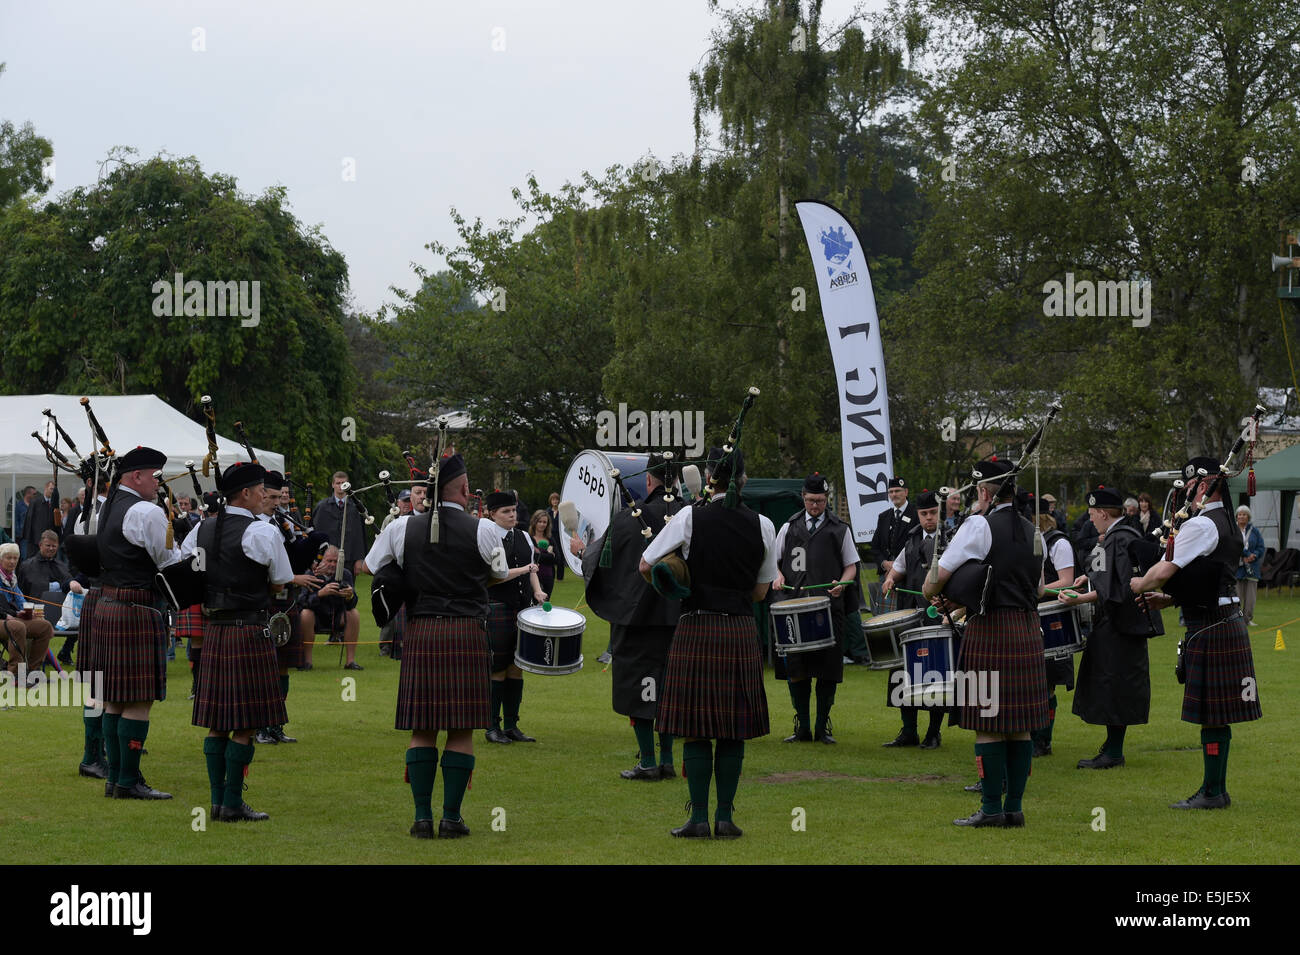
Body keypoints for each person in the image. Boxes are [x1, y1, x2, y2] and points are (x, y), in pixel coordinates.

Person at [362, 454, 507, 838]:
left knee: (422, 728)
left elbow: (372, 566)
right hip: (466, 634)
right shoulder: (485, 530)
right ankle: (451, 818)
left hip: (422, 631)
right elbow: (499, 574)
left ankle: (422, 818)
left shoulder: (401, 528)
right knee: (460, 730)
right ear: (462, 489)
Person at [639, 448, 777, 839]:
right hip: (738, 629)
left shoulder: (688, 517)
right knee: (732, 727)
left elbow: (646, 565)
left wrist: (677, 581)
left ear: (708, 478)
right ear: (744, 480)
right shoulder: (764, 525)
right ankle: (726, 818)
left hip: (696, 625)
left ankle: (698, 818)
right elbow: (761, 591)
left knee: (696, 726)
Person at [1131, 457, 1262, 809]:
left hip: (1212, 625)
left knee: (1212, 714)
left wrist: (1139, 584)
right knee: (1216, 715)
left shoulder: (1202, 525)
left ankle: (1213, 792)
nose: (1186, 494)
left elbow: (1163, 570)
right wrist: (1171, 599)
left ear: (1202, 487)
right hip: (1223, 617)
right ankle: (1215, 788)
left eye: (1189, 487)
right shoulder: (1228, 523)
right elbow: (1209, 579)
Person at [924, 458, 1047, 828]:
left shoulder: (978, 524)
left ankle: (991, 809)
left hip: (990, 626)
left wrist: (949, 589)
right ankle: (1015, 808)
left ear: (982, 491)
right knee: (1020, 724)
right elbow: (1040, 589)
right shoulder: (1033, 531)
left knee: (989, 724)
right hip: (1026, 628)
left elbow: (934, 580)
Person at [187, 462, 292, 822]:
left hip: (215, 631)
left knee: (218, 721)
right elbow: (280, 582)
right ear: (245, 493)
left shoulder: (201, 529)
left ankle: (217, 802)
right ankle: (231, 802)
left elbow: (188, 569)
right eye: (262, 488)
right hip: (249, 631)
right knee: (245, 722)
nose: (266, 494)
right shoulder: (262, 533)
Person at [577, 453, 682, 779]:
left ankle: (648, 762)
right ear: (677, 480)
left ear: (648, 480)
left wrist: (583, 551)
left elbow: (600, 564)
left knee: (639, 690)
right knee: (669, 689)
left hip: (635, 618)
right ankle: (666, 759)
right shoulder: (690, 515)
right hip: (679, 617)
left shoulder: (626, 519)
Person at [94, 446, 180, 800]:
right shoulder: (146, 511)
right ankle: (128, 782)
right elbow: (169, 561)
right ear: (136, 477)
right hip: (137, 609)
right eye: (156, 476)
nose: (159, 484)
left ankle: (117, 779)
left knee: (114, 698)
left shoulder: (108, 507)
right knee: (138, 700)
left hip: (109, 605)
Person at [1057, 487, 1159, 769]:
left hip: (1119, 624)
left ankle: (1114, 752)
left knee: (1114, 685)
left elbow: (1118, 587)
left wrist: (1082, 596)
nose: (1090, 521)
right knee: (1114, 684)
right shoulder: (1122, 535)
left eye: (1092, 515)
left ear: (1103, 513)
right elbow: (1105, 576)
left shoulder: (1119, 539)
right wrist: (1086, 579)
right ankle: (1113, 747)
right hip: (1122, 623)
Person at [774, 472, 859, 744]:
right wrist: (778, 575)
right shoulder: (789, 527)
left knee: (827, 669)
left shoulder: (839, 528)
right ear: (803, 498)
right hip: (795, 607)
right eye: (811, 501)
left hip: (828, 608)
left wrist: (843, 585)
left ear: (827, 500)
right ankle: (802, 727)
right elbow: (774, 562)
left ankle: (822, 727)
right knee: (797, 668)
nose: (815, 506)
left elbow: (851, 566)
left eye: (821, 501)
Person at [880, 490, 949, 748]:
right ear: (918, 514)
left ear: (939, 513)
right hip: (909, 615)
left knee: (935, 674)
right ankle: (908, 731)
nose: (929, 518)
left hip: (937, 616)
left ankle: (933, 733)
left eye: (933, 513)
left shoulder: (949, 539)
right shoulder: (911, 538)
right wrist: (890, 579)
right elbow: (899, 567)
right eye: (924, 514)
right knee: (904, 672)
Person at [483, 491, 546, 743]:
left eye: (514, 510)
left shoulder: (523, 537)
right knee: (497, 669)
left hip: (522, 609)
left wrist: (538, 589)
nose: (513, 515)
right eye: (506, 512)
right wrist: (525, 569)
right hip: (497, 607)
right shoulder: (489, 538)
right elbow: (496, 575)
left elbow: (532, 571)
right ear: (492, 514)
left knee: (516, 668)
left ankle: (511, 726)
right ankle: (491, 727)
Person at [1029, 499, 1076, 758]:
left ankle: (1043, 740)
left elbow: (1067, 580)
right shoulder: (1033, 542)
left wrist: (1035, 592)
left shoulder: (1059, 543)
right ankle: (1034, 737)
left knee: (1046, 682)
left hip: (1052, 618)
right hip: (1034, 614)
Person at [298, 546, 361, 669]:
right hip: (316, 618)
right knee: (305, 613)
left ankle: (350, 661)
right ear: (322, 561)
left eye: (336, 561)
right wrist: (320, 594)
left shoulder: (346, 574)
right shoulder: (311, 574)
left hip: (338, 617)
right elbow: (301, 602)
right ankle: (307, 662)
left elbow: (353, 603)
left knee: (354, 613)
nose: (332, 564)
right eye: (329, 561)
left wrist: (350, 595)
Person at [1, 541, 55, 682]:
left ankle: (33, 672)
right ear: (1, 559)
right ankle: (16, 675)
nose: (12, 561)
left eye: (15, 558)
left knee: (45, 626)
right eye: (8, 558)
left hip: (12, 618)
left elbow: (21, 601)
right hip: (3, 619)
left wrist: (28, 612)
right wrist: (11, 614)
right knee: (17, 626)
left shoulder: (12, 578)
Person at [312, 471, 367, 578]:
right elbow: (314, 534)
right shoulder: (322, 507)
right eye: (337, 483)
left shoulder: (355, 507)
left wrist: (359, 559)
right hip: (326, 560)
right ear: (333, 485)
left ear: (348, 485)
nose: (340, 486)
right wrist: (315, 558)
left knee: (346, 589)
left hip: (349, 559)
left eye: (343, 483)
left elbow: (360, 535)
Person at [869, 478, 917, 581]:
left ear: (906, 492)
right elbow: (874, 547)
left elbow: (918, 545)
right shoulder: (884, 517)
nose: (894, 494)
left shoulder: (916, 514)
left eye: (897, 491)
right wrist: (884, 563)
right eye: (891, 492)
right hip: (885, 573)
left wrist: (898, 566)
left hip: (908, 574)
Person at [18, 529, 79, 601]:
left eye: (54, 546)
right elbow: (20, 593)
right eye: (48, 545)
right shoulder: (26, 566)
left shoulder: (62, 566)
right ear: (40, 545)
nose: (51, 548)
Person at [1234, 505, 1265, 626]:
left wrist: (1254, 555)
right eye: (1240, 514)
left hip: (1252, 567)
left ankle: (1247, 619)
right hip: (1236, 567)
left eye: (1244, 514)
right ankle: (1236, 619)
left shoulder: (1254, 531)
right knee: (1237, 595)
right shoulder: (1233, 530)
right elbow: (1235, 545)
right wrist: (1246, 554)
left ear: (1248, 517)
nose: (1241, 516)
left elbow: (1261, 546)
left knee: (1251, 597)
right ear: (1237, 516)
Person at [528, 509, 558, 598]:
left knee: (545, 604)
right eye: (539, 521)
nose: (542, 524)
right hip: (533, 577)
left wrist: (539, 554)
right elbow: (532, 557)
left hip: (548, 578)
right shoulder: (528, 538)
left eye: (544, 522)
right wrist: (549, 555)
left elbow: (557, 559)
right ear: (534, 522)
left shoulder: (550, 539)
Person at [547, 492, 565, 581]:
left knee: (560, 556)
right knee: (551, 555)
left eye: (556, 499)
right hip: (550, 536)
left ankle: (560, 577)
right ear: (550, 501)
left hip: (560, 536)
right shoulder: (547, 511)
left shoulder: (562, 511)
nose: (555, 501)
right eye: (553, 499)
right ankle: (552, 575)